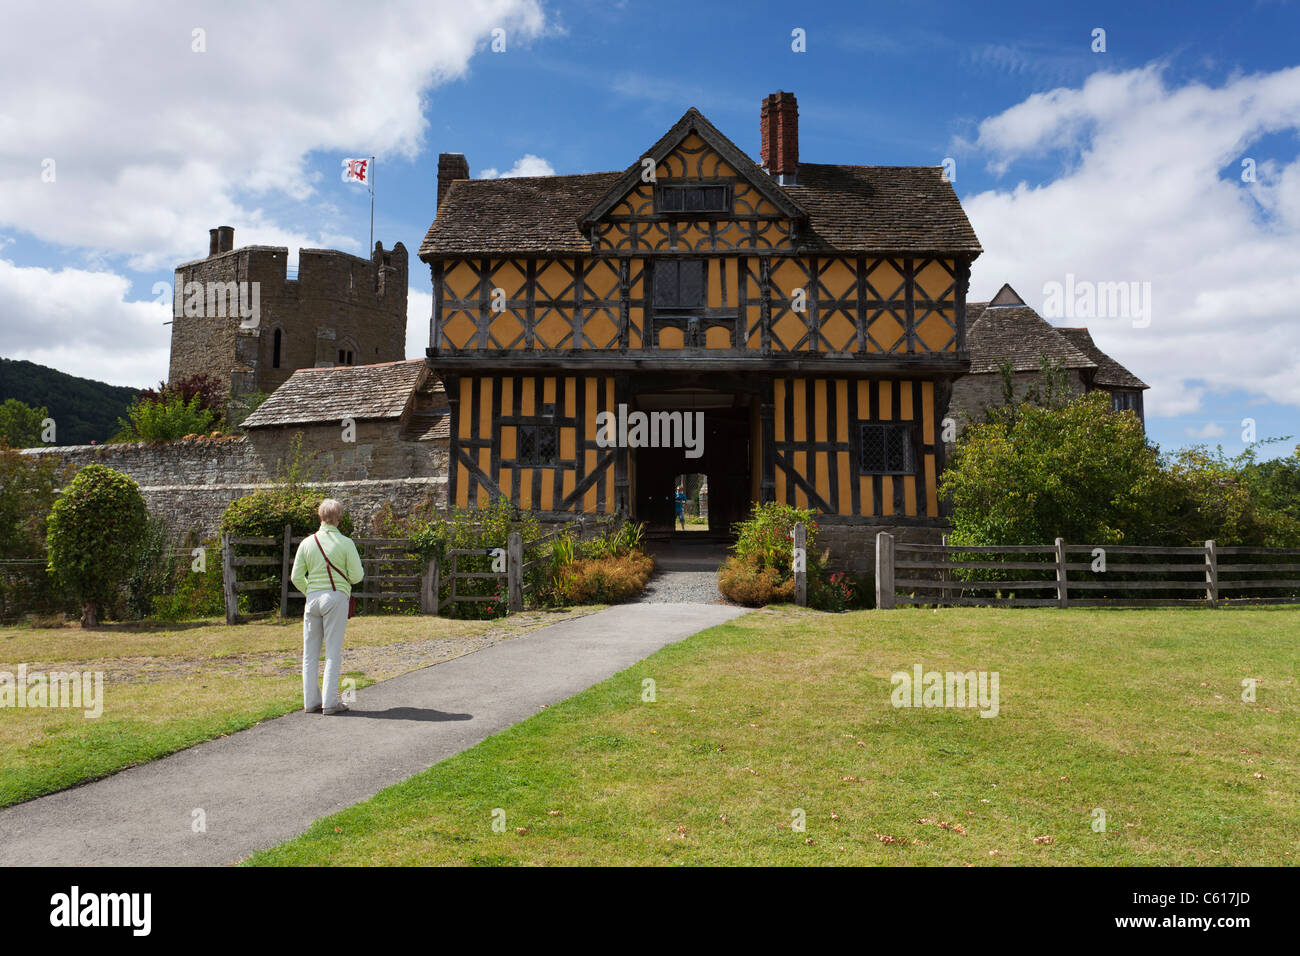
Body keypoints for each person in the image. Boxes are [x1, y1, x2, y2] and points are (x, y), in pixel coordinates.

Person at [290, 498, 364, 715]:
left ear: (319, 516)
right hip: (335, 597)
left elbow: (296, 577)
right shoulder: (346, 543)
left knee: (310, 654)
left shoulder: (307, 543)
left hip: (312, 599)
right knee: (332, 652)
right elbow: (357, 576)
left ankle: (311, 701)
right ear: (339, 518)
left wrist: (311, 591)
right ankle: (330, 702)